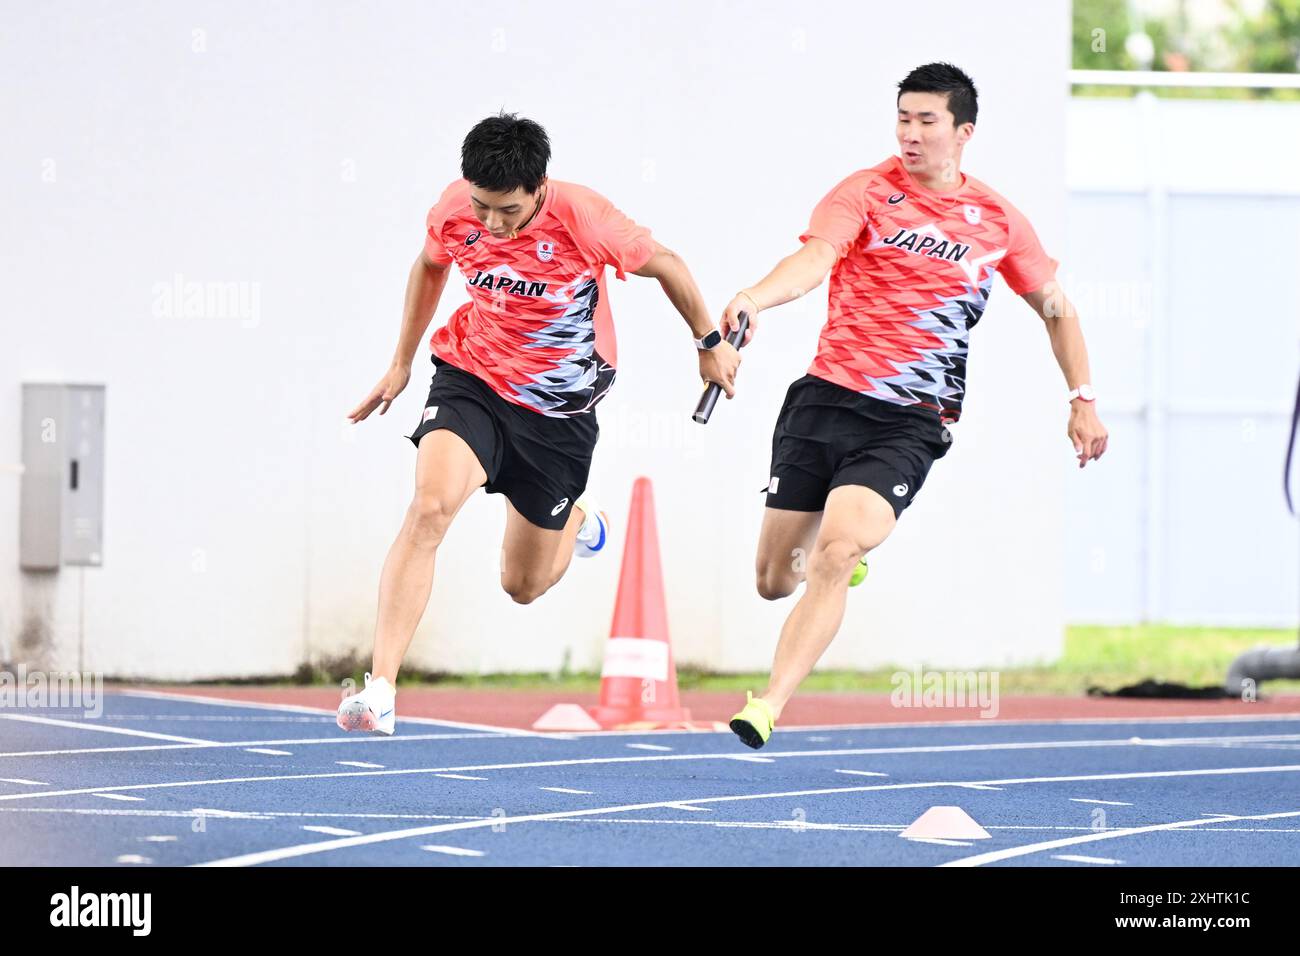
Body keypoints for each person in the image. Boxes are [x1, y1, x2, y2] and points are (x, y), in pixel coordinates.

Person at [722, 63, 1109, 748]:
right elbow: (815, 260)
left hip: (909, 419)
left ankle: (770, 703)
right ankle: (840, 556)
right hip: (826, 399)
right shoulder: (865, 192)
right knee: (773, 580)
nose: (910, 134)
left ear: (963, 132)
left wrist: (1082, 399)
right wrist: (755, 297)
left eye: (926, 121)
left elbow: (1056, 308)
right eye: (903, 118)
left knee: (836, 553)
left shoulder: (995, 220)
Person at [339, 113, 739, 735]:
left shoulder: (584, 217)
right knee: (429, 507)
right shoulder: (454, 211)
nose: (491, 224)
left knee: (522, 584)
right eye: (481, 207)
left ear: (539, 187)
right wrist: (401, 363)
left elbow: (668, 264)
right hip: (472, 375)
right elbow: (429, 267)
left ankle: (580, 519)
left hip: (557, 410)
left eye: (508, 211)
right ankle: (382, 687)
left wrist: (708, 341)